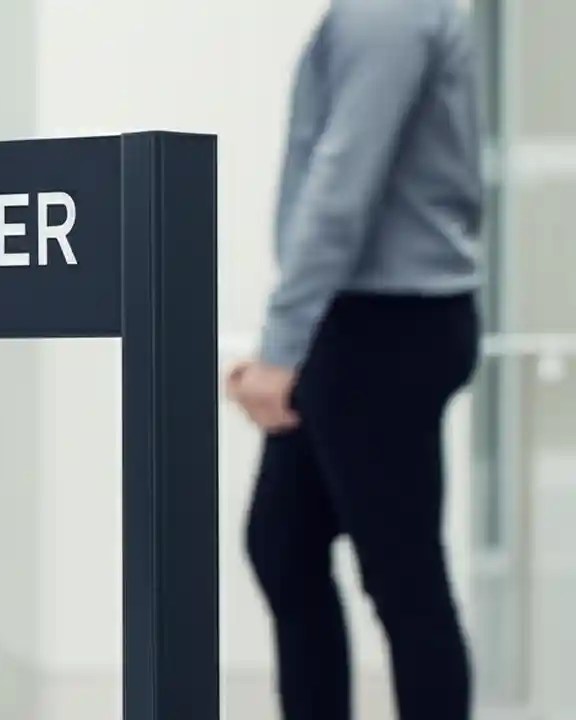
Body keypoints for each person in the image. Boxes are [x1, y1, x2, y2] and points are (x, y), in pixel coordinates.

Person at [227, 0, 483, 718]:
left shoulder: (386, 15)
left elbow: (342, 184)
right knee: (283, 542)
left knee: (403, 578)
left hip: (385, 322)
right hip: (361, 317)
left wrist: (281, 349)